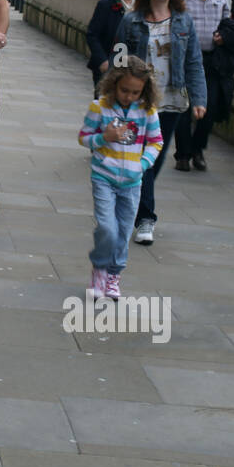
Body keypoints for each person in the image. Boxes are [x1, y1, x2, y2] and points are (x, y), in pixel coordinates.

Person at [114, 0, 206, 245]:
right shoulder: (131, 21)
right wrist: (108, 98)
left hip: (171, 101)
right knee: (140, 159)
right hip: (136, 102)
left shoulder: (183, 21)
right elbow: (118, 60)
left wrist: (199, 98)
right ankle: (145, 219)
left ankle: (131, 205)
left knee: (152, 160)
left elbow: (193, 62)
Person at [77, 57, 163, 300]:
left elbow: (156, 142)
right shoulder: (99, 107)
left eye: (135, 92)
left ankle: (114, 275)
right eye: (124, 90)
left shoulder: (147, 111)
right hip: (104, 177)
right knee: (107, 227)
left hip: (133, 182)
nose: (129, 96)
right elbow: (83, 138)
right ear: (114, 84)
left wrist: (142, 164)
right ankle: (100, 270)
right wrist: (104, 137)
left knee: (124, 231)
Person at [173, 0, 229, 172]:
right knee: (184, 108)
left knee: (210, 107)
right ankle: (183, 154)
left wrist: (224, 35)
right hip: (185, 59)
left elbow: (227, 19)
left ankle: (198, 149)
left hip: (212, 58)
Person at [86, 0, 140, 92]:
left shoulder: (141, 6)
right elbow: (92, 35)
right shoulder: (105, 6)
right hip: (109, 67)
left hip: (134, 69)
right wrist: (102, 61)